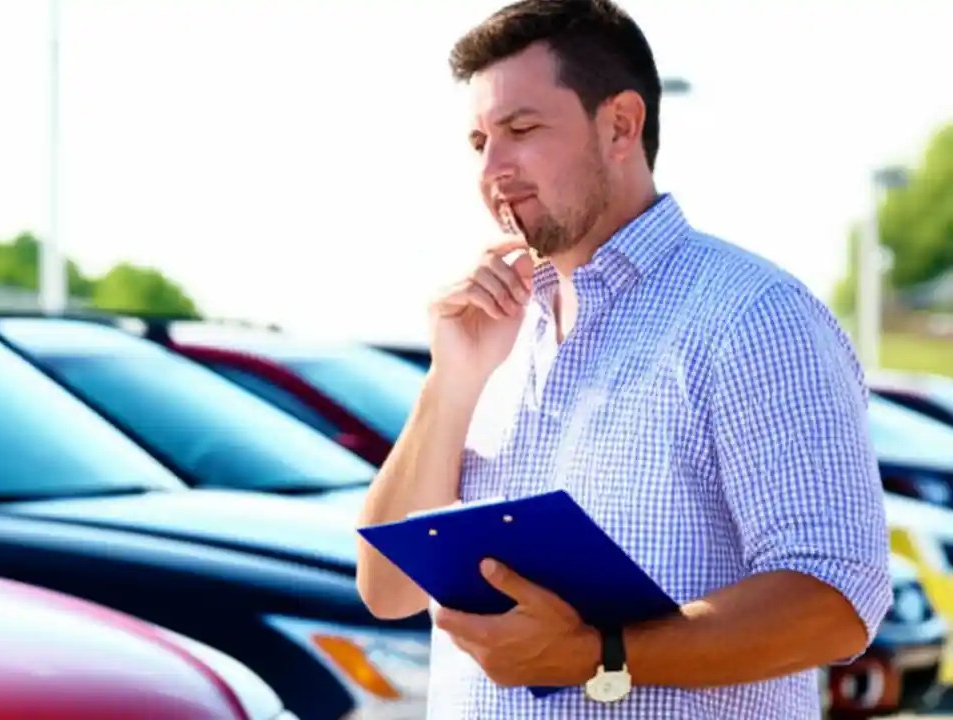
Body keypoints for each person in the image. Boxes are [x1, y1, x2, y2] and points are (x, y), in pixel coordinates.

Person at [354, 1, 892, 717]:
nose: (493, 167)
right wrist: (449, 379)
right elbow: (386, 590)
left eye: (521, 129)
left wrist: (599, 654)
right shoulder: (494, 334)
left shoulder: (755, 316)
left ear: (620, 125)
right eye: (479, 139)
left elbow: (836, 596)